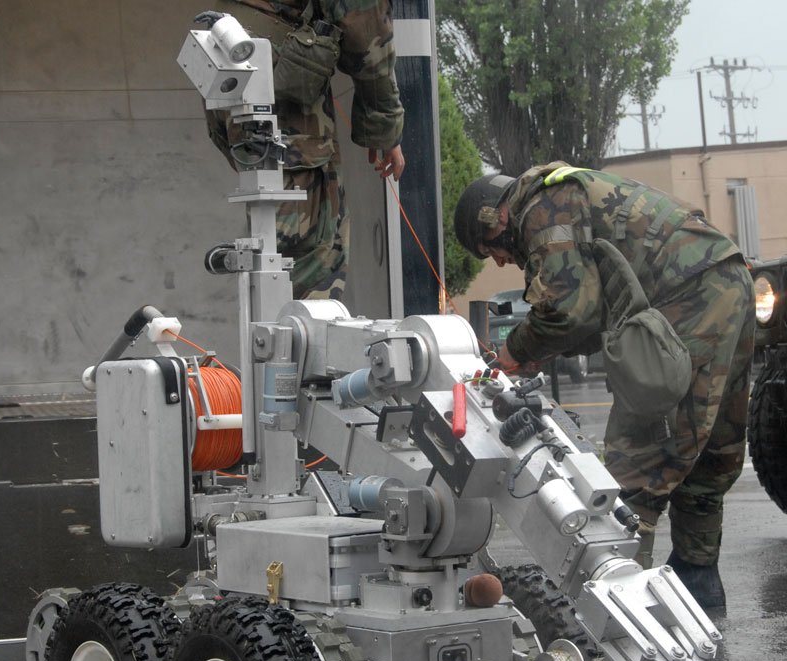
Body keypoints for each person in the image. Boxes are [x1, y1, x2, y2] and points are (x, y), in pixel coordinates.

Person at [454, 162, 756, 610]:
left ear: (492, 217)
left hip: (687, 299)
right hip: (728, 280)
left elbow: (567, 309)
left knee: (637, 466)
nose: (499, 259)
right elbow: (591, 310)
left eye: (488, 250)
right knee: (709, 453)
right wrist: (546, 347)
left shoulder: (541, 206)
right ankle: (698, 586)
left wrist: (515, 351)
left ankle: (622, 616)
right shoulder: (565, 195)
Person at [204, 0, 405, 300]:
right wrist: (384, 125)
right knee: (311, 262)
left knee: (273, 251)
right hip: (279, 82)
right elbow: (364, 23)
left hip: (229, 59)